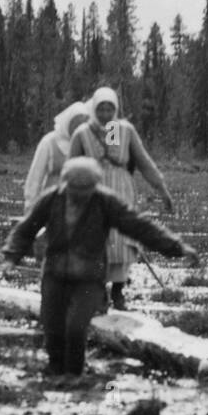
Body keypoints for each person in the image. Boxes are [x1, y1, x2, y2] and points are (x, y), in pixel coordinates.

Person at [1, 157, 197, 377]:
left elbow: (139, 226)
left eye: (85, 190)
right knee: (53, 328)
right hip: (55, 273)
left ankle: (74, 375)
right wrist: (11, 257)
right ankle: (55, 370)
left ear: (94, 186)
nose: (80, 195)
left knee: (75, 329)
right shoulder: (51, 200)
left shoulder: (105, 202)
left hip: (88, 278)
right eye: (75, 189)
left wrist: (177, 247)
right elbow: (25, 229)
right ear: (65, 183)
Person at [69, 86, 175, 311]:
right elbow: (70, 169)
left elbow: (144, 162)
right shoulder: (83, 133)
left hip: (121, 191)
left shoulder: (122, 130)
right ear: (94, 109)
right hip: (93, 193)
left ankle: (118, 291)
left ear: (115, 109)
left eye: (110, 109)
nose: (106, 115)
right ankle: (99, 292)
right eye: (101, 109)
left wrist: (162, 190)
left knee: (121, 241)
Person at [24, 101, 90, 213]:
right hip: (52, 206)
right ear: (68, 122)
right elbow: (35, 179)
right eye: (76, 123)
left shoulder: (89, 145)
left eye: (83, 124)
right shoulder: (49, 142)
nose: (79, 128)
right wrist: (30, 207)